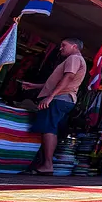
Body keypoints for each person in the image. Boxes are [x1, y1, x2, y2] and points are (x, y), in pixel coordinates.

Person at [22, 38, 87, 175]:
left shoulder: (74, 58)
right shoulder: (76, 59)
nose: (61, 48)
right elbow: (60, 81)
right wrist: (35, 86)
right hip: (64, 98)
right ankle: (45, 164)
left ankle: (48, 165)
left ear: (74, 46)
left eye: (64, 45)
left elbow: (68, 78)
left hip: (59, 98)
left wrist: (51, 96)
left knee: (48, 129)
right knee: (50, 128)